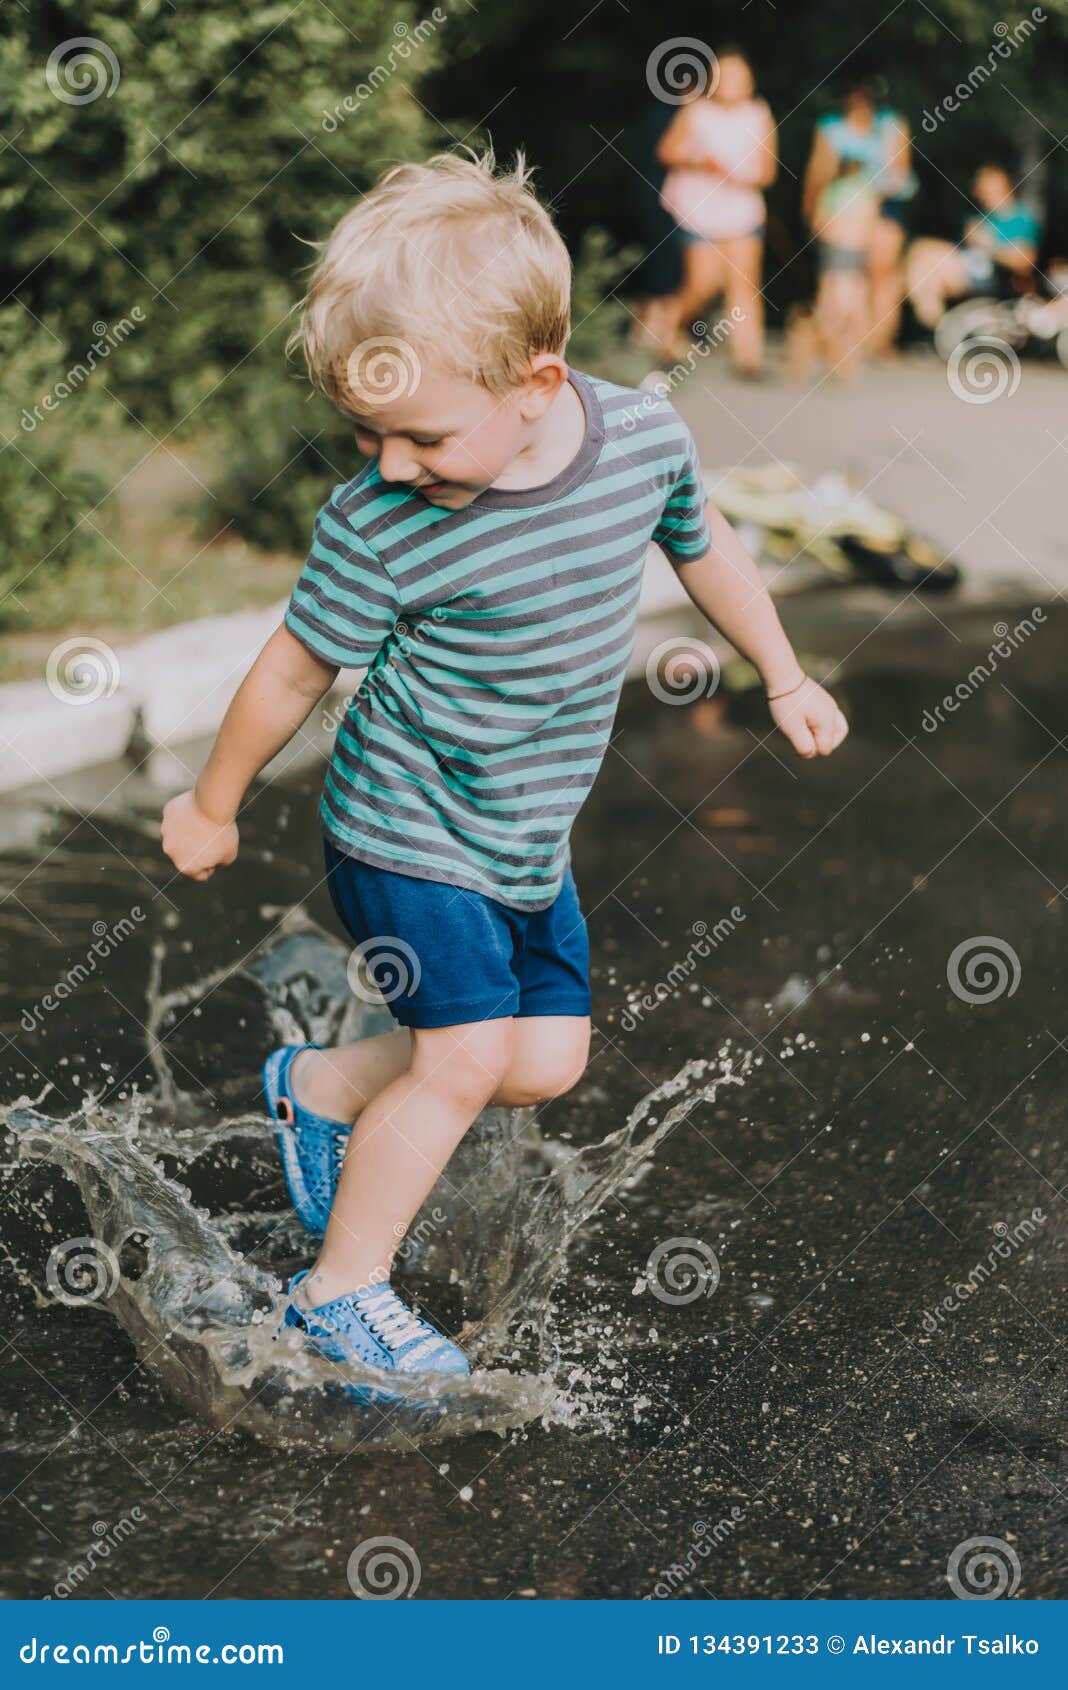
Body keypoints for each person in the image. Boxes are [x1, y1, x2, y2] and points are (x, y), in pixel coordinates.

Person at [160, 150, 848, 1401]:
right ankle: (340, 1294)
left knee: (546, 1060)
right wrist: (211, 804)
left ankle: (315, 1089)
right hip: (400, 827)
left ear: (538, 380)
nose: (387, 464)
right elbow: (288, 671)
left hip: (523, 840)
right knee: (467, 1058)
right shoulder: (381, 524)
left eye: (420, 433)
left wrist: (785, 671)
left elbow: (709, 548)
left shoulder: (641, 437)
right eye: (365, 432)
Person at [655, 49, 778, 376]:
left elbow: (767, 172)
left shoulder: (759, 114)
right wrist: (702, 163)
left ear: (749, 81)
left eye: (739, 75)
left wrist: (743, 176)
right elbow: (667, 151)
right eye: (725, 74)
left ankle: (748, 359)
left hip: (742, 211)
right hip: (700, 210)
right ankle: (668, 335)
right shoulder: (696, 111)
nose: (732, 82)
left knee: (744, 284)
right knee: (702, 284)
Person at [802, 82, 915, 358]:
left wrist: (871, 196)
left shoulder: (891, 125)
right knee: (842, 275)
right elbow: (819, 174)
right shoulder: (831, 128)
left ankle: (878, 341)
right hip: (844, 207)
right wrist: (814, 210)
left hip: (885, 205)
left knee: (881, 273)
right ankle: (840, 339)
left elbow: (900, 174)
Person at [906, 164, 1040, 328]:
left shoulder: (1021, 217)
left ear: (1006, 186)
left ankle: (936, 326)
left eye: (990, 187)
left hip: (989, 276)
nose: (985, 193)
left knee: (925, 259)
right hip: (966, 266)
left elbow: (1024, 261)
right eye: (982, 188)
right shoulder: (979, 217)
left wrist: (988, 245)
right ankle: (936, 325)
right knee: (921, 259)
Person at [812, 158, 880, 375]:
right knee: (849, 303)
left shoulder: (833, 190)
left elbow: (819, 223)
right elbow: (869, 225)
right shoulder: (864, 191)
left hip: (837, 249)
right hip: (851, 251)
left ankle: (830, 351)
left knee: (832, 302)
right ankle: (846, 354)